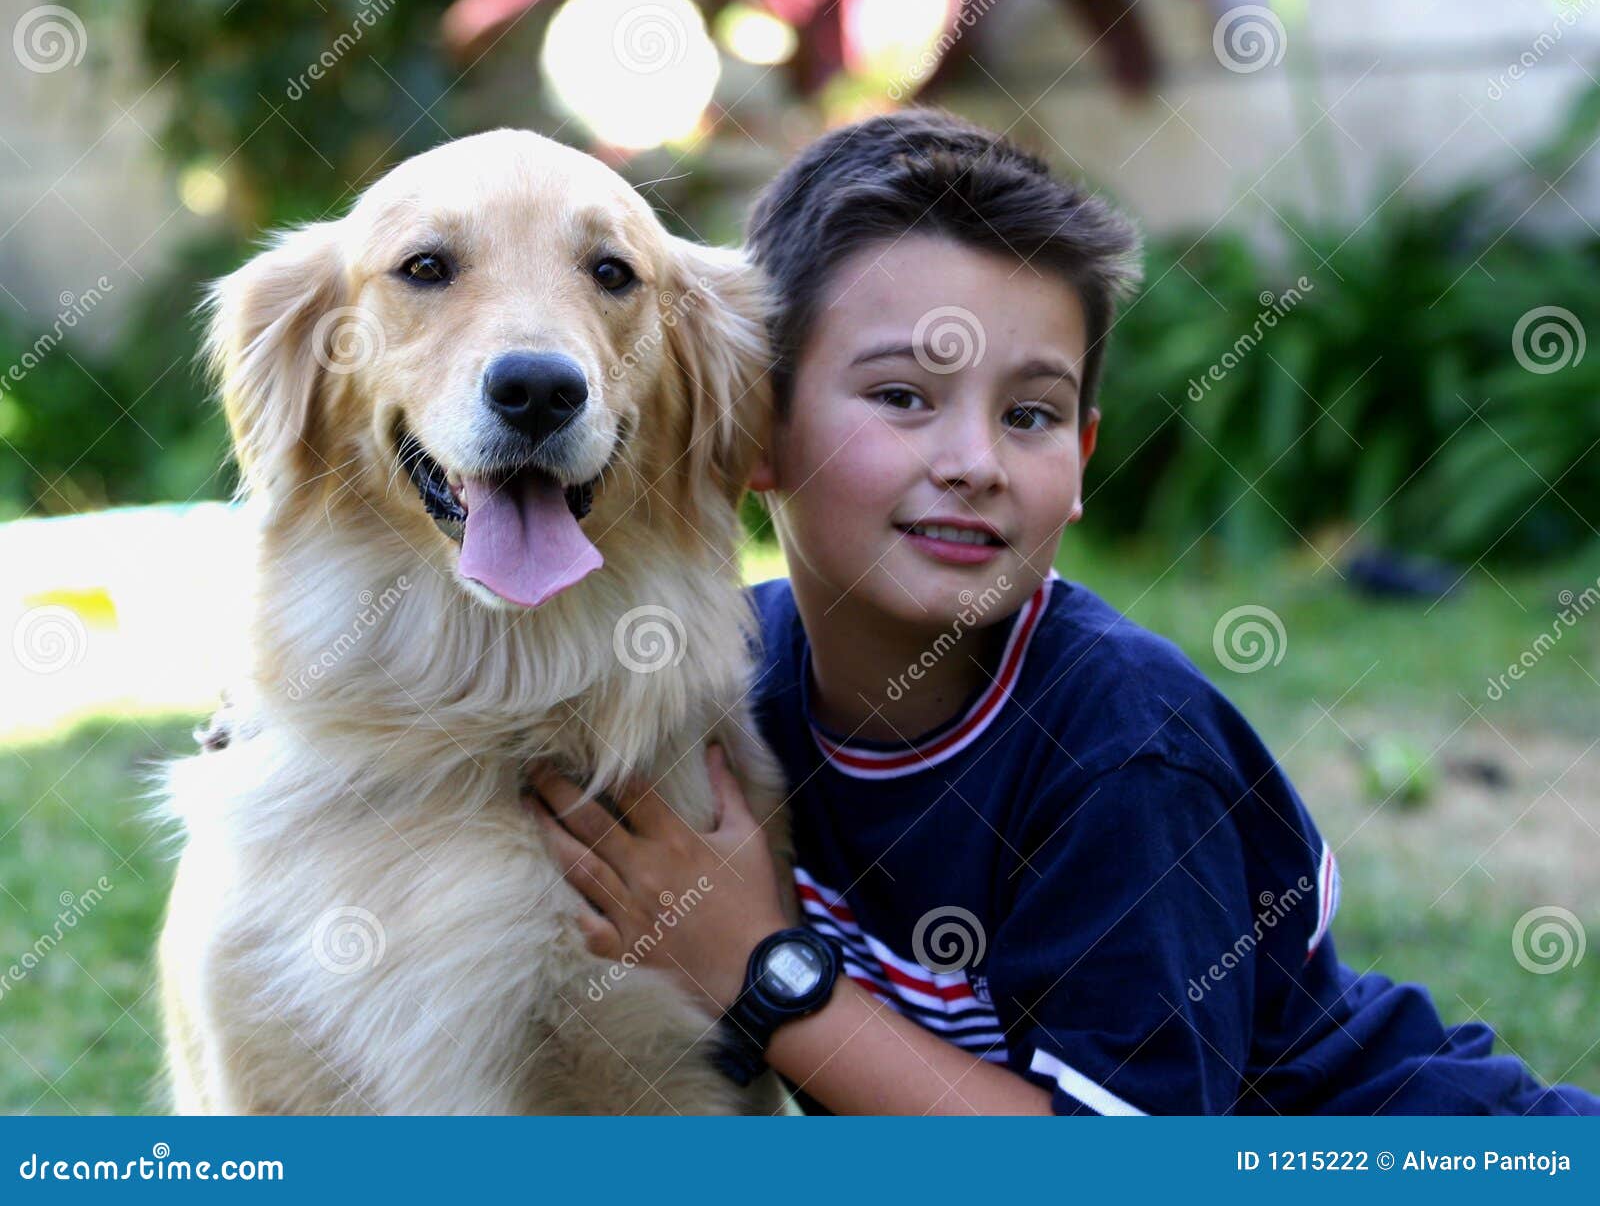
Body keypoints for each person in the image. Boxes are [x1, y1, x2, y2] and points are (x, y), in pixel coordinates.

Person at [528, 107, 1599, 1116]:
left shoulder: (1119, 747)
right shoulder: (724, 687)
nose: (974, 463)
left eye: (1030, 414)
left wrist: (765, 976)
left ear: (1079, 461)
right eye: (902, 395)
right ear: (750, 427)